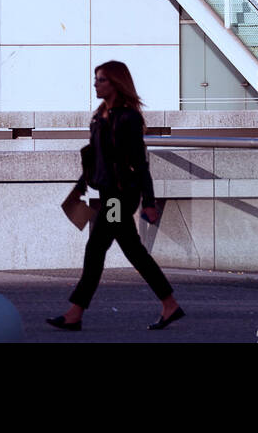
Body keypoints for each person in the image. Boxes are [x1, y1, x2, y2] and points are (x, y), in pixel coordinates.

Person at [47, 60, 185, 333]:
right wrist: (80, 186)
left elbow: (141, 164)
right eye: (96, 79)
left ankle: (75, 313)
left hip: (120, 197)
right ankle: (169, 304)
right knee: (132, 251)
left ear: (116, 83)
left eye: (102, 79)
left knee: (96, 248)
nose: (96, 84)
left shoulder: (128, 118)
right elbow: (96, 159)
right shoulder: (100, 117)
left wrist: (149, 202)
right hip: (108, 194)